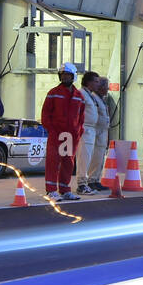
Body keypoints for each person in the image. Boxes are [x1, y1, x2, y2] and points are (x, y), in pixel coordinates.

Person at [41, 63, 85, 201]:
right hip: (56, 133)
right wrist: (51, 129)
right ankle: (51, 191)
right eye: (63, 75)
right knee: (53, 161)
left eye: (67, 75)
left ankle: (65, 190)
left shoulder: (79, 96)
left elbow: (81, 117)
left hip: (72, 135)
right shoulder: (53, 93)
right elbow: (45, 114)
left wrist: (79, 131)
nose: (64, 77)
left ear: (73, 76)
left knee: (68, 162)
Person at [75, 71, 103, 195]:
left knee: (89, 157)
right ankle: (81, 184)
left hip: (91, 129)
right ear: (89, 82)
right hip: (84, 129)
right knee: (83, 157)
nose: (98, 84)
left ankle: (84, 182)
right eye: (96, 82)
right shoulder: (81, 94)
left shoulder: (90, 95)